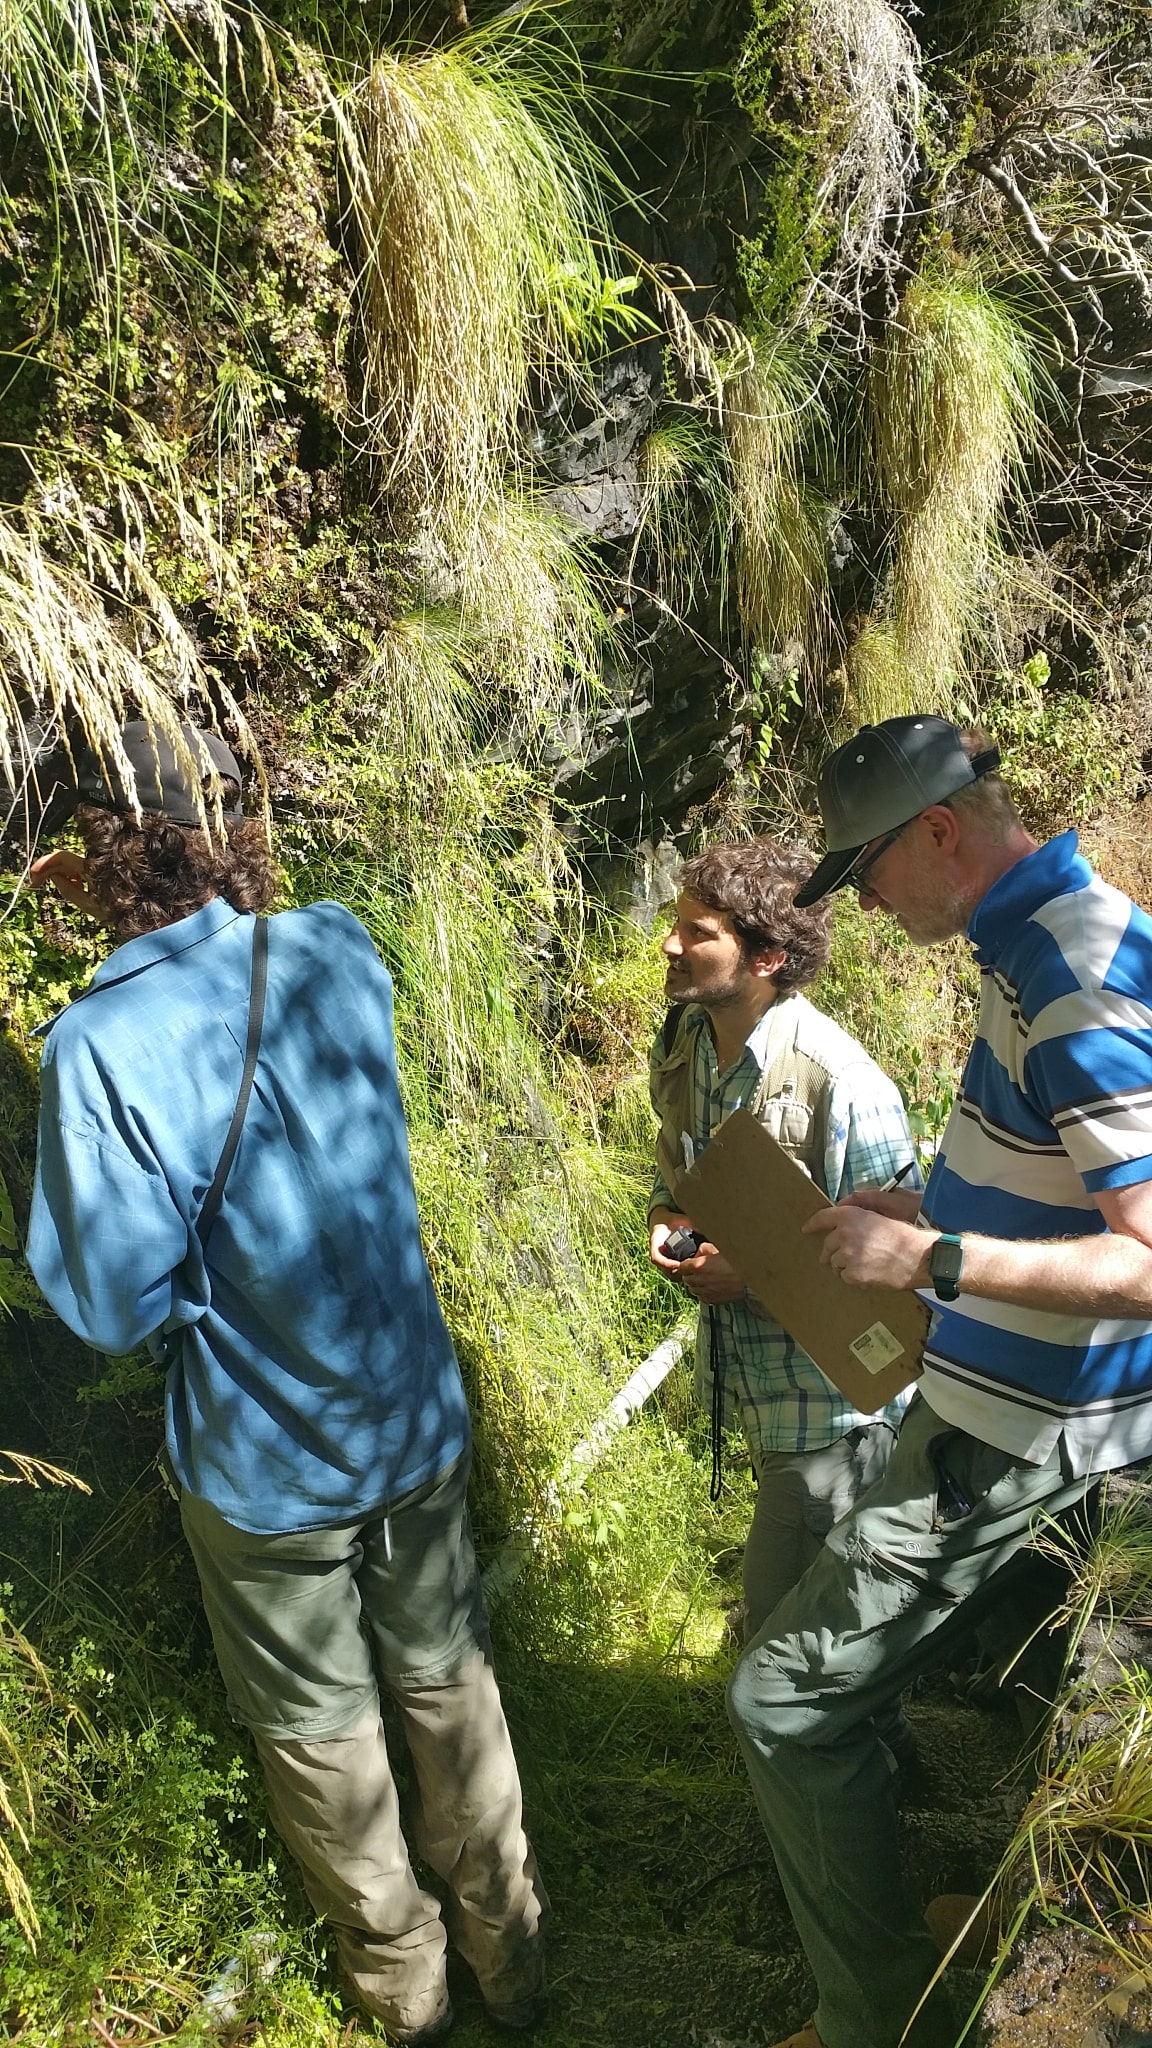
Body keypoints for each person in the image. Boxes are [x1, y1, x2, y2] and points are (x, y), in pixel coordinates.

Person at [23, 722, 546, 2048]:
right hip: (412, 1419)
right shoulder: (332, 948)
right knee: (448, 1678)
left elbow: (108, 1305)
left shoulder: (95, 1047)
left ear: (87, 867)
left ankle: (405, 1987)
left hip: (267, 1466)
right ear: (213, 831)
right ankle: (515, 1952)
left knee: (320, 1734)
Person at [725, 715, 1152, 2048]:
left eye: (866, 873)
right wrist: (935, 1198)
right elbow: (1065, 1167)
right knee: (1008, 1689)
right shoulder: (1055, 932)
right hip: (1033, 1411)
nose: (861, 902)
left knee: (782, 1705)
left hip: (1016, 1433)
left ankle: (878, 2021)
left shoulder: (1064, 972)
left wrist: (933, 1253)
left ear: (939, 835)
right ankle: (953, 1929)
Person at [647, 838, 920, 1644]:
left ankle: (857, 1766)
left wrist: (753, 1275)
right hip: (763, 1399)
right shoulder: (686, 1043)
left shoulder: (845, 1082)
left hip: (836, 1418)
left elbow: (904, 1277)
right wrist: (671, 1221)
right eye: (677, 923)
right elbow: (680, 1171)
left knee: (793, 1649)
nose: (670, 943)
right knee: (813, 1640)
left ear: (765, 957)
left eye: (698, 932)